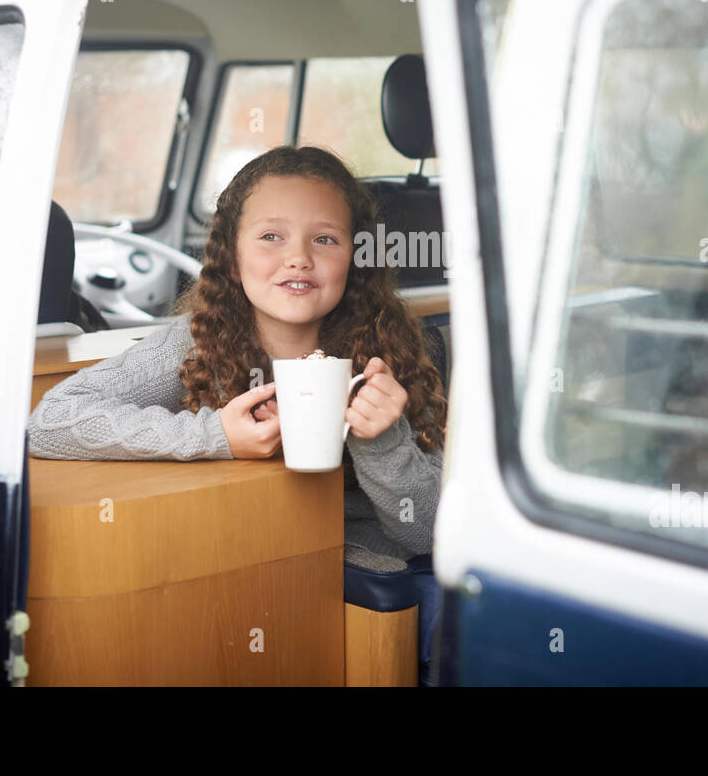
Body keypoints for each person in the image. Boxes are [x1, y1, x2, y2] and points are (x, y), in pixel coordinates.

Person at [28, 145, 448, 668]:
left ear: (356, 257)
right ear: (230, 252)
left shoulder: (394, 351)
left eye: (325, 239)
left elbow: (429, 534)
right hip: (248, 566)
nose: (299, 257)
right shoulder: (191, 345)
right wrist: (215, 437)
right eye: (271, 236)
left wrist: (383, 441)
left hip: (375, 577)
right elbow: (51, 421)